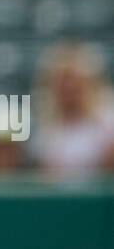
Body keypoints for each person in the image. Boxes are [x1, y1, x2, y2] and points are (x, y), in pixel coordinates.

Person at [34, 44, 114, 182]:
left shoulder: (106, 121)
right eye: (63, 82)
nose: (69, 88)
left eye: (74, 81)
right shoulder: (46, 128)